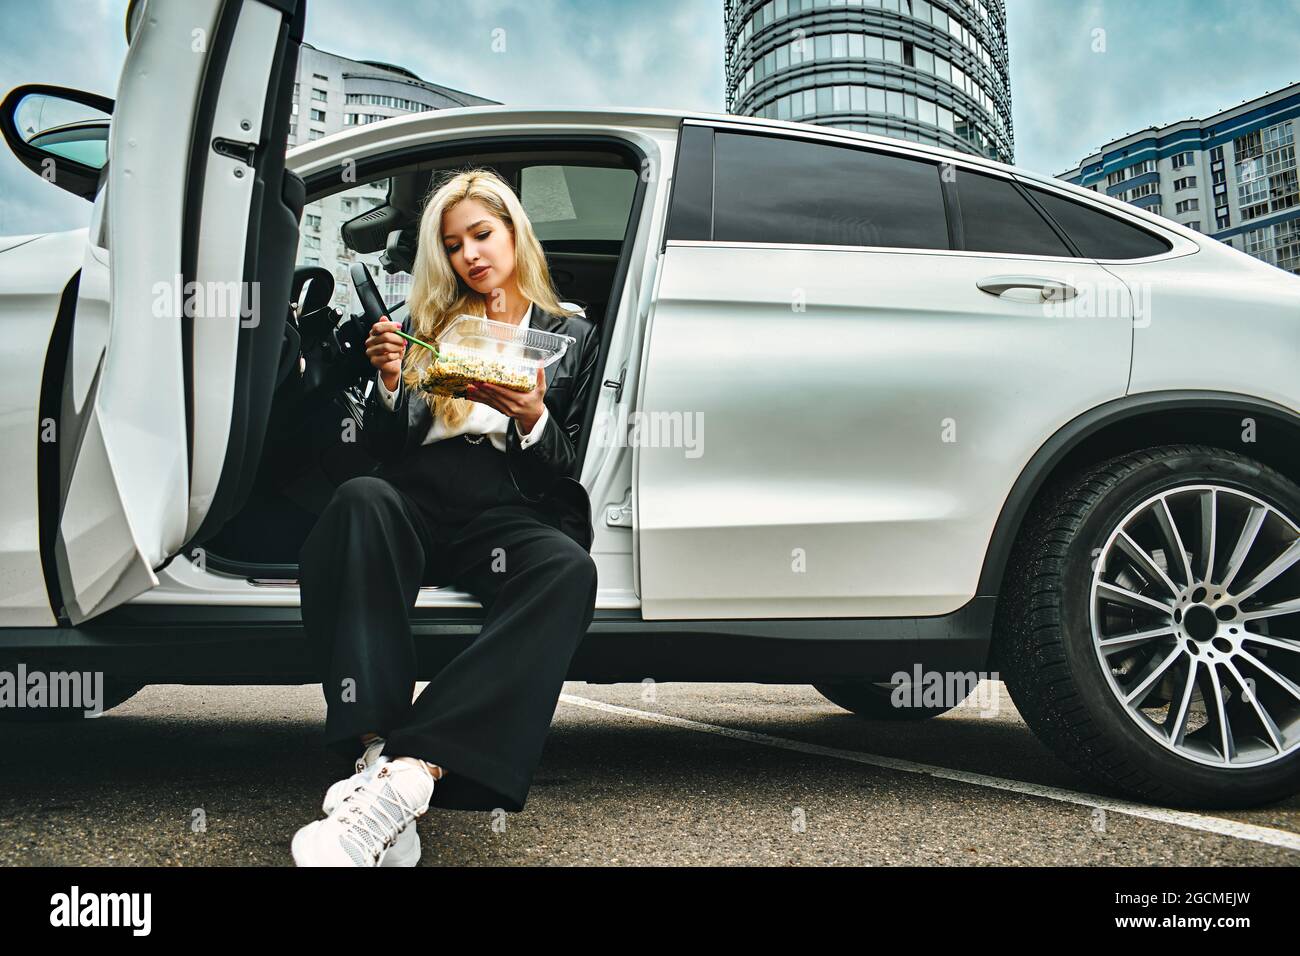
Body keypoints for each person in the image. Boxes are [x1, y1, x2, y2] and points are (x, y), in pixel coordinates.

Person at [291, 167, 603, 866]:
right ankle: (374, 750)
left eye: (482, 234)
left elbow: (565, 461)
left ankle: (411, 773)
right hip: (417, 493)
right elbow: (380, 446)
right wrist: (391, 382)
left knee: (567, 570)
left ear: (515, 231)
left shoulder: (572, 334)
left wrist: (532, 417)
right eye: (455, 244)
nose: (471, 255)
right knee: (359, 502)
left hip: (510, 499)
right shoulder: (422, 322)